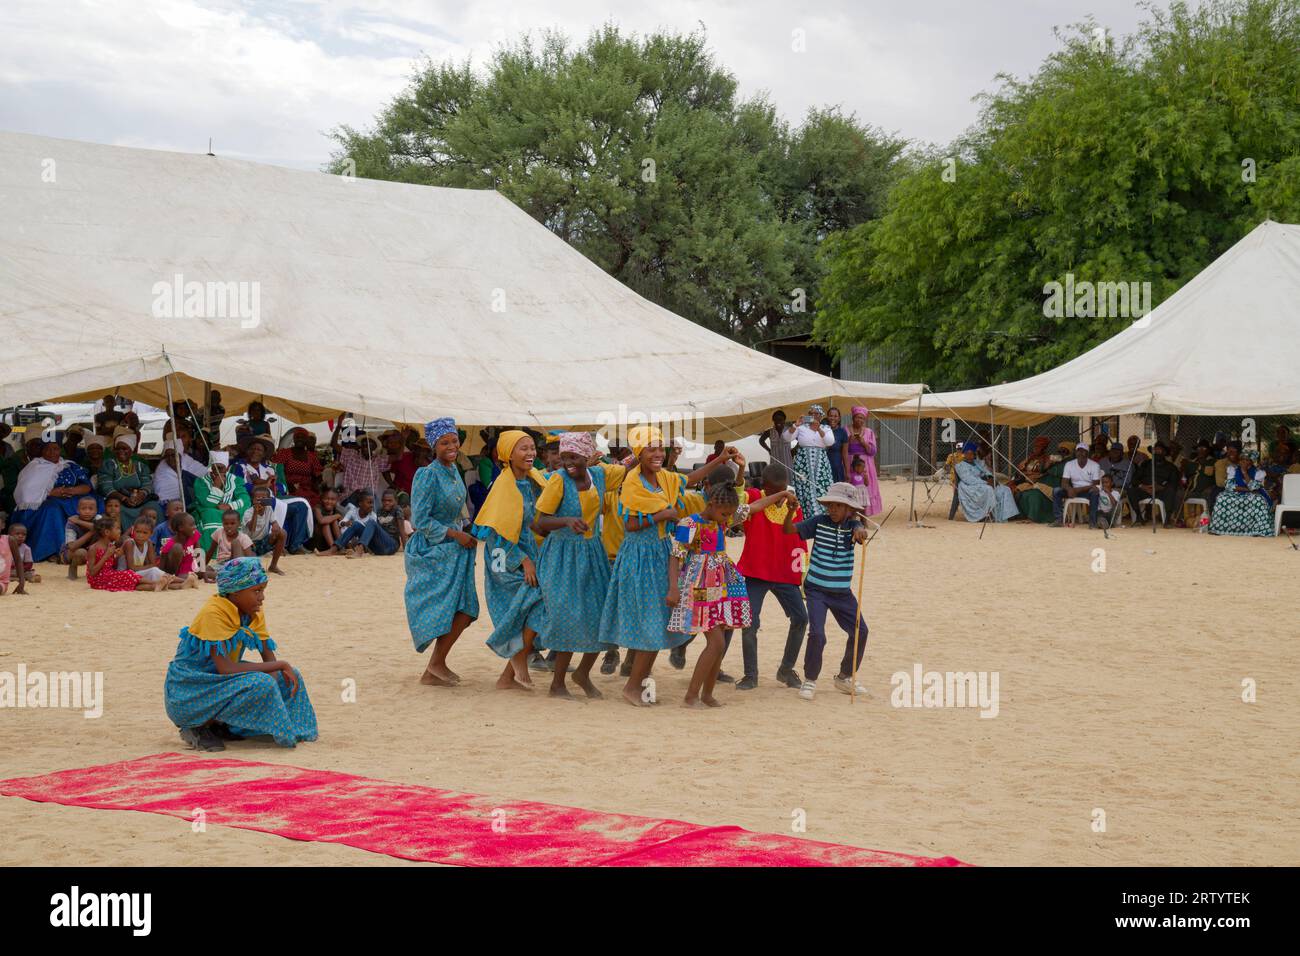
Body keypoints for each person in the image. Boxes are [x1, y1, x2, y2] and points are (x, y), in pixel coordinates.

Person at [598, 425, 737, 707]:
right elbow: (630, 524)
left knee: (659, 623)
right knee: (652, 623)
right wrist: (661, 514)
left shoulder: (665, 478)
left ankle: (636, 683)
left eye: (661, 448)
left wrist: (719, 461)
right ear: (639, 452)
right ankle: (632, 687)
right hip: (640, 556)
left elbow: (686, 480)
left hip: (661, 553)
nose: (659, 454)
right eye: (651, 448)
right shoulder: (634, 483)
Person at [164, 557, 317, 751]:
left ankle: (227, 724)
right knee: (262, 681)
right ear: (234, 593)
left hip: (221, 682)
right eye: (256, 591)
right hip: (190, 689)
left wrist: (272, 682)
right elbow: (226, 668)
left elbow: (270, 661)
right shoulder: (214, 612)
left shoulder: (254, 611)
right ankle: (197, 726)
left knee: (288, 676)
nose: (262, 597)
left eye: (263, 590)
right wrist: (275, 670)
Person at [531, 432, 622, 700]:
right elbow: (539, 522)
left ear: (588, 456)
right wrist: (567, 520)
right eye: (565, 457)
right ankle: (557, 683)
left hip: (592, 552)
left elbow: (631, 466)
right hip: (562, 555)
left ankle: (582, 673)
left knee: (599, 615)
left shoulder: (601, 476)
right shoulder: (558, 481)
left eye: (575, 457)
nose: (568, 462)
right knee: (568, 616)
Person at [405, 418, 479, 686]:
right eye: (444, 442)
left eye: (454, 441)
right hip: (433, 550)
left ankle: (435, 667)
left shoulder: (453, 470)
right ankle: (435, 666)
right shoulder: (427, 474)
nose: (451, 446)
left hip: (455, 548)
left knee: (466, 608)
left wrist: (467, 530)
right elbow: (420, 521)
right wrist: (454, 534)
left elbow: (458, 509)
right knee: (454, 609)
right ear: (433, 446)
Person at [781, 483, 871, 701]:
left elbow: (861, 530)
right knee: (817, 634)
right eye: (830, 505)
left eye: (838, 506)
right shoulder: (818, 522)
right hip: (816, 590)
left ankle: (844, 676)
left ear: (849, 509)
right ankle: (810, 680)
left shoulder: (853, 525)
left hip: (842, 592)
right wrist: (791, 512)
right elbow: (788, 530)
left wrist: (860, 529)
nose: (832, 509)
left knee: (861, 631)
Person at [730, 462, 808, 690]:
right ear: (766, 487)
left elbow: (799, 541)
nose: (781, 495)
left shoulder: (793, 505)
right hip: (756, 572)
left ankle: (786, 669)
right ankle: (750, 675)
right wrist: (741, 469)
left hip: (785, 573)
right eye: (776, 491)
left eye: (784, 489)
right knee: (749, 622)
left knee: (801, 618)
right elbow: (738, 499)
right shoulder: (755, 496)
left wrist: (801, 573)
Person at [10, 440, 95, 562]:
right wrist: (50, 493)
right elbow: (26, 489)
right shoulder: (34, 466)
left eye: (55, 449)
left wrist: (70, 491)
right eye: (48, 449)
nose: (52, 452)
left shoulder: (70, 465)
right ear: (42, 452)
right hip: (44, 501)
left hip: (71, 499)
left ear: (60, 451)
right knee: (52, 509)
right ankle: (54, 551)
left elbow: (87, 486)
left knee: (90, 505)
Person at [234, 436, 313, 552]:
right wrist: (265, 485)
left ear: (264, 454)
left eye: (259, 449)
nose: (255, 451)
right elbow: (241, 486)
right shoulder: (240, 467)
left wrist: (273, 485)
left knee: (302, 506)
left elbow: (282, 487)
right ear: (247, 451)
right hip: (254, 500)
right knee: (270, 502)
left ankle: (296, 545)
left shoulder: (269, 469)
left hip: (274, 497)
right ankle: (275, 544)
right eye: (252, 448)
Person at [98, 433, 161, 531]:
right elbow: (106, 487)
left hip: (139, 501)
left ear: (131, 451)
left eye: (124, 449)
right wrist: (124, 499)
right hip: (119, 501)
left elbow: (147, 484)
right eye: (118, 449)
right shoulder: (109, 465)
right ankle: (126, 538)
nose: (120, 451)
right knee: (117, 510)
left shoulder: (140, 466)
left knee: (154, 507)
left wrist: (141, 495)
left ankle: (154, 536)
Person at [192, 451, 252, 553]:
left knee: (231, 516)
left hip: (231, 511)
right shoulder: (201, 481)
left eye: (220, 468)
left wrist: (229, 506)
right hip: (207, 512)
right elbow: (206, 504)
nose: (216, 471)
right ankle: (212, 553)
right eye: (213, 468)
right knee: (210, 513)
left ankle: (231, 551)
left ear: (227, 468)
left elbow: (245, 500)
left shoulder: (236, 480)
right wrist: (217, 487)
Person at [783, 404, 836, 519]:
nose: (813, 416)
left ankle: (823, 516)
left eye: (816, 414)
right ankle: (806, 516)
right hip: (803, 463)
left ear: (821, 416)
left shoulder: (826, 428)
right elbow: (786, 438)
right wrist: (795, 425)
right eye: (810, 414)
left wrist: (819, 429)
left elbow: (830, 442)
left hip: (820, 464)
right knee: (803, 486)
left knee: (821, 487)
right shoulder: (801, 427)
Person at [85, 516, 162, 591]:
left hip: (109, 576)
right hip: (98, 580)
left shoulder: (111, 546)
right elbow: (92, 572)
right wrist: (106, 556)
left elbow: (111, 565)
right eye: (117, 528)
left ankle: (153, 586)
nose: (120, 531)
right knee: (129, 575)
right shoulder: (93, 548)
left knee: (131, 582)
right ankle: (156, 583)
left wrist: (117, 556)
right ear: (107, 532)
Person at [1209, 449, 1274, 537]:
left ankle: (1259, 530)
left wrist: (1245, 472)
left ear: (1251, 462)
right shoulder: (1233, 469)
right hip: (1238, 492)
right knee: (1221, 498)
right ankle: (1219, 528)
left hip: (1254, 494)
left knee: (1258, 500)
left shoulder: (1259, 472)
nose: (1244, 462)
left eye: (1247, 460)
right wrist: (1247, 489)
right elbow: (1229, 486)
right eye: (1242, 460)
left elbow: (1254, 487)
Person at [955, 439, 1020, 522]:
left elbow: (987, 472)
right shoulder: (960, 466)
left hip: (985, 483)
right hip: (970, 486)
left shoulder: (978, 462)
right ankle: (988, 515)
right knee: (988, 489)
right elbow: (968, 479)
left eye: (972, 453)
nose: (970, 455)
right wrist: (986, 482)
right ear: (964, 454)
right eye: (968, 453)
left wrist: (991, 478)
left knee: (1004, 489)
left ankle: (1006, 515)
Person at [332, 424, 386, 506]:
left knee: (378, 511)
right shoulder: (351, 454)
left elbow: (398, 457)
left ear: (374, 448)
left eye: (369, 446)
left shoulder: (377, 460)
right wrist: (339, 425)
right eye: (364, 445)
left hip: (369, 497)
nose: (365, 447)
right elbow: (334, 445)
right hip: (351, 495)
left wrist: (403, 438)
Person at [842, 406, 882, 516]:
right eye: (857, 417)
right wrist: (849, 441)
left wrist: (863, 442)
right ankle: (851, 515)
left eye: (862, 418)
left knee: (865, 487)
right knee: (852, 487)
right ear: (853, 418)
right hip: (850, 462)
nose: (859, 420)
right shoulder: (845, 430)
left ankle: (865, 515)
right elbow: (843, 449)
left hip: (866, 464)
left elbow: (873, 451)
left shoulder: (869, 432)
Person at [1129, 441, 1179, 527]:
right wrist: (1143, 486)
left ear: (1164, 453)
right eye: (1155, 450)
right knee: (1131, 490)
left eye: (1160, 450)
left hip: (1161, 491)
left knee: (1171, 491)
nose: (1157, 452)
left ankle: (1167, 519)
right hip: (1145, 490)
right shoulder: (1145, 464)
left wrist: (1161, 487)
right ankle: (1139, 517)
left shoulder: (1171, 467)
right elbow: (1134, 479)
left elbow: (1174, 483)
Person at [1052, 443, 1102, 528]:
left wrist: (1076, 490)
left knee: (1095, 492)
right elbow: (1064, 483)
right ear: (1075, 453)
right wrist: (1069, 489)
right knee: (1056, 491)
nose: (1081, 453)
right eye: (1079, 451)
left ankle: (1093, 523)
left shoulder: (1095, 465)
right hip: (1073, 491)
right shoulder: (1069, 464)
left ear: (1088, 453)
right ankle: (1058, 520)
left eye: (1083, 451)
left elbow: (1095, 485)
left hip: (1087, 491)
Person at [272, 428, 324, 508]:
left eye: (302, 437)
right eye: (297, 437)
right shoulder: (285, 453)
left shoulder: (311, 456)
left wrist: (318, 483)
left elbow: (318, 474)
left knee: (315, 504)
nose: (299, 439)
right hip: (287, 487)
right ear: (294, 439)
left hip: (307, 489)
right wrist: (287, 485)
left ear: (306, 440)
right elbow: (277, 470)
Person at [244, 486, 287, 574]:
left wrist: (275, 526)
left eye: (263, 498)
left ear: (268, 500)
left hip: (262, 542)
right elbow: (252, 529)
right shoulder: (248, 512)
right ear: (253, 500)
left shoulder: (269, 509)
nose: (260, 501)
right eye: (257, 498)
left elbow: (274, 522)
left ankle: (273, 566)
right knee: (254, 568)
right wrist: (255, 513)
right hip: (249, 544)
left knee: (282, 533)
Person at [122, 518, 173, 588]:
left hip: (138, 573)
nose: (140, 535)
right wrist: (150, 567)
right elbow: (131, 568)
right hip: (126, 575)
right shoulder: (130, 543)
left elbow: (153, 564)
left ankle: (183, 582)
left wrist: (151, 566)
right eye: (138, 532)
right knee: (154, 571)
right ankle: (178, 580)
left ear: (151, 534)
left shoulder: (148, 543)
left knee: (155, 572)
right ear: (133, 531)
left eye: (144, 533)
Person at [158, 511, 202, 589]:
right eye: (192, 525)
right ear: (181, 528)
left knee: (211, 572)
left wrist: (204, 576)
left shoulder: (194, 534)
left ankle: (187, 580)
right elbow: (162, 565)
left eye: (194, 524)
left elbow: (199, 554)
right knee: (177, 547)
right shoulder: (170, 544)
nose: (195, 527)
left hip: (191, 569)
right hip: (178, 573)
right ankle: (177, 581)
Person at [206, 510, 253, 580]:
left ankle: (230, 575)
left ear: (239, 524)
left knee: (236, 543)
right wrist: (203, 566)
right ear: (222, 524)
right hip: (221, 565)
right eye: (226, 524)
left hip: (236, 564)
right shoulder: (219, 532)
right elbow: (211, 551)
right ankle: (227, 576)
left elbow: (250, 559)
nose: (229, 526)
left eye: (232, 523)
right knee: (202, 571)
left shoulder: (244, 538)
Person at [62, 495, 99, 578]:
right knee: (81, 553)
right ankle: (73, 567)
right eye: (83, 508)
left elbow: (99, 527)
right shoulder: (71, 523)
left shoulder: (98, 518)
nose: (87, 511)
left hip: (92, 549)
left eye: (90, 509)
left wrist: (78, 521)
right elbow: (72, 546)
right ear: (77, 510)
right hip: (73, 552)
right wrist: (92, 532)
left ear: (96, 511)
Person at [0, 524, 28, 596]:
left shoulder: (9, 540)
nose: (20, 536)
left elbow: (18, 560)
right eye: (18, 534)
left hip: (1, 582)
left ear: (3, 525)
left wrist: (21, 584)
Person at [825, 406, 849, 483]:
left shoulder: (842, 432)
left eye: (835, 416)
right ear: (827, 417)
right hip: (823, 467)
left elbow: (845, 454)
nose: (833, 418)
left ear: (839, 418)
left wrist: (847, 472)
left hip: (837, 467)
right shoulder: (822, 430)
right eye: (831, 416)